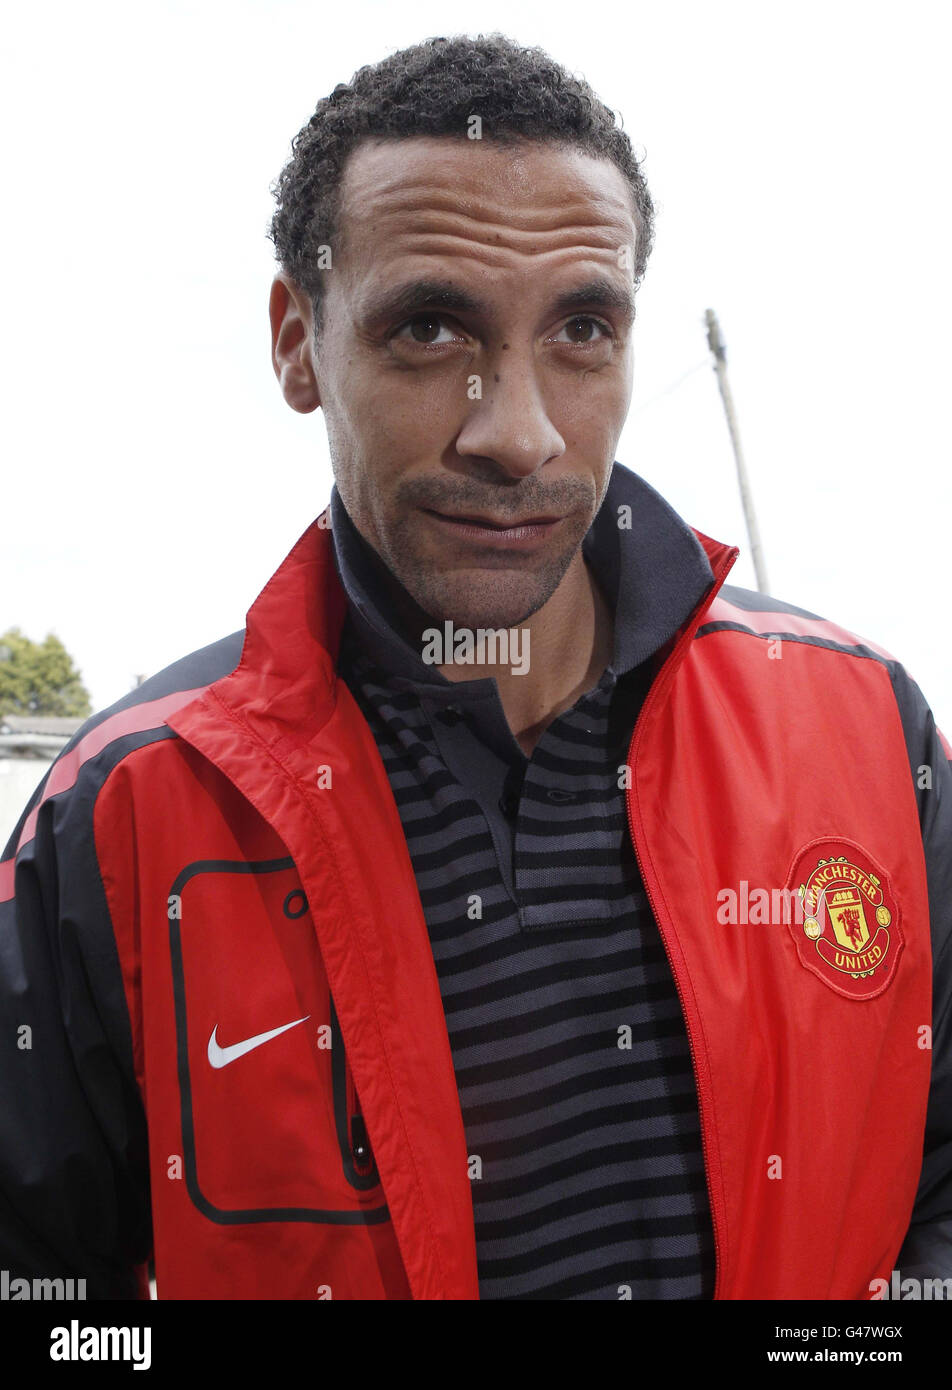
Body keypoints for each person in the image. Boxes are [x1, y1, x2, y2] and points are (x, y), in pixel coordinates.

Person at [1, 32, 949, 1302]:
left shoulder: (869, 732)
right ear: (297, 342)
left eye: (581, 328)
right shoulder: (119, 817)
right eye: (430, 326)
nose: (519, 432)